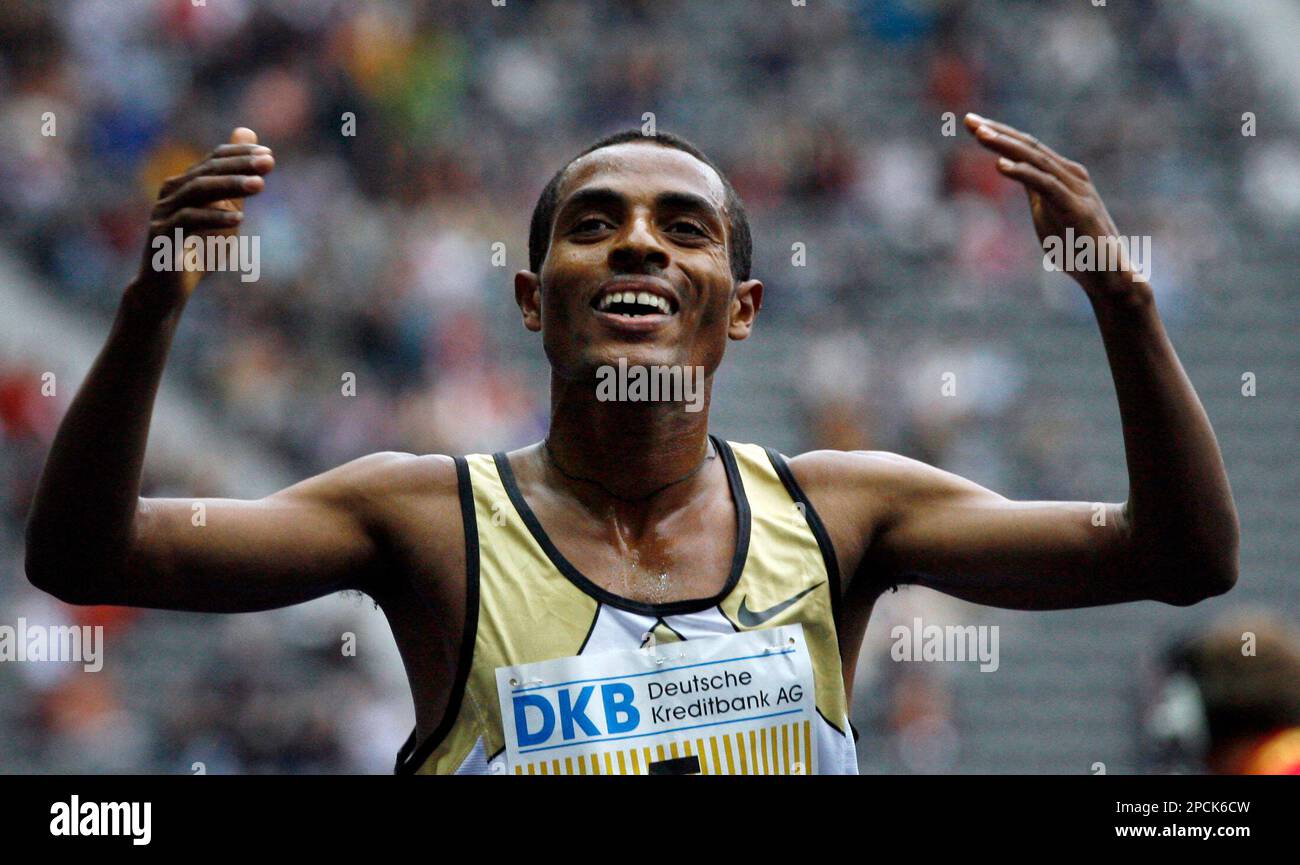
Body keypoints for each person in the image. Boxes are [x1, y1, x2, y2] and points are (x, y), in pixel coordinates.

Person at [26, 116, 1239, 774]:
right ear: (527, 297)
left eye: (683, 227)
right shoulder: (422, 519)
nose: (639, 245)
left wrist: (1121, 300)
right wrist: (148, 314)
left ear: (743, 307)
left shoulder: (844, 513)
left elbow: (1180, 556)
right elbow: (89, 558)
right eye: (594, 224)